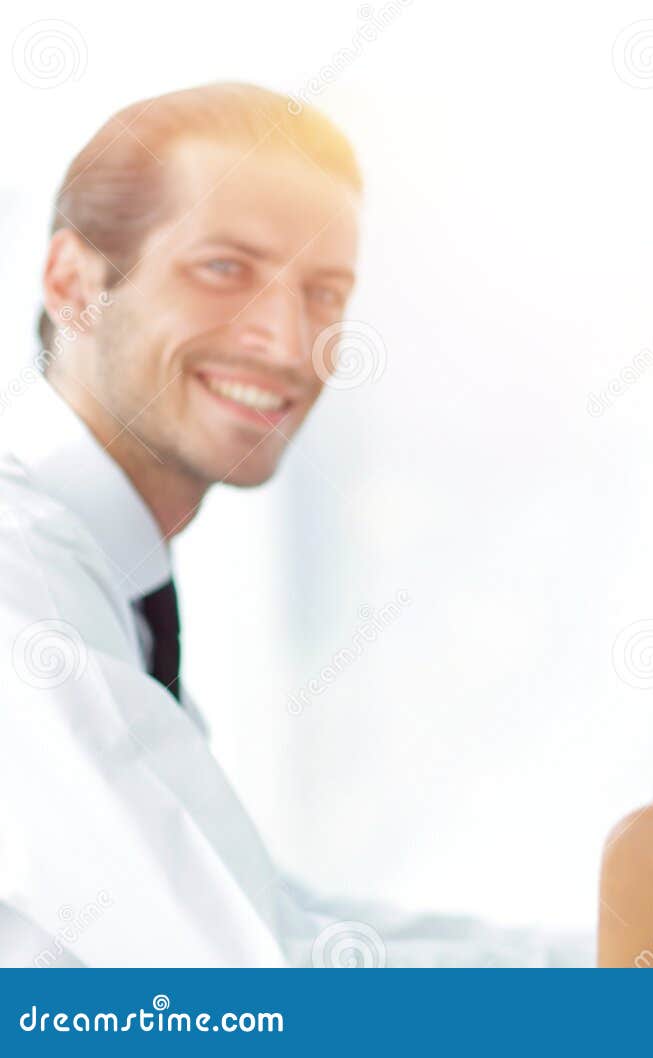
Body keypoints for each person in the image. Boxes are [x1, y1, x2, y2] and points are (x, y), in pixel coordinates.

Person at [0, 83, 548, 966]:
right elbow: (254, 984)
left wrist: (641, 935)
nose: (292, 344)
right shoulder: (22, 585)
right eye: (225, 269)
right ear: (74, 284)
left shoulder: (104, 580)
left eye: (324, 294)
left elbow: (268, 911)